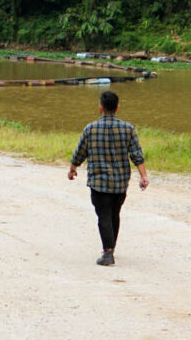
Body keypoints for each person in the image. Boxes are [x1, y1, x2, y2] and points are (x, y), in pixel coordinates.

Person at [67, 90, 148, 266]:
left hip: (98, 182)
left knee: (103, 214)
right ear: (117, 107)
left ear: (100, 108)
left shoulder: (90, 129)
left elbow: (80, 152)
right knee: (114, 213)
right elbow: (137, 155)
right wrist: (143, 176)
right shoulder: (128, 129)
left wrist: (73, 169)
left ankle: (108, 251)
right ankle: (111, 248)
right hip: (120, 182)